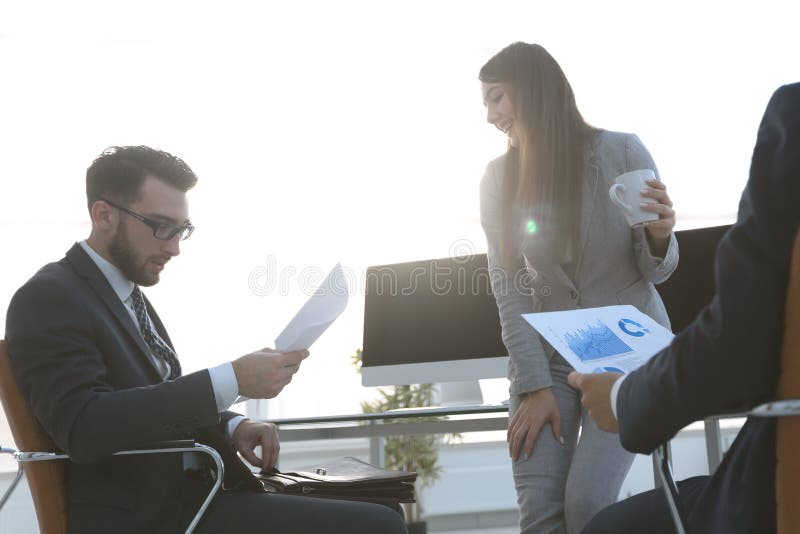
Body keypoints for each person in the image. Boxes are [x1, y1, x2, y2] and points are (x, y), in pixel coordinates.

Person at [4, 146, 407, 534]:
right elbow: (85, 426)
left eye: (182, 231)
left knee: (379, 502)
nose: (175, 247)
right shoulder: (50, 297)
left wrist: (231, 425)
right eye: (161, 227)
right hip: (151, 517)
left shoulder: (124, 295)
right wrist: (230, 380)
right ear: (103, 214)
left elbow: (148, 398)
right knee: (379, 523)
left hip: (195, 499)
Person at [570, 82, 800, 533]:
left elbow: (741, 343)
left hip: (781, 490)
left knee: (603, 526)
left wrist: (625, 398)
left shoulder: (794, 117)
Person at [478, 42, 679, 534]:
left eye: (497, 98)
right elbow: (510, 289)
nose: (490, 115)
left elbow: (656, 271)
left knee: (588, 504)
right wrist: (533, 386)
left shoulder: (623, 151)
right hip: (549, 358)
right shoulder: (497, 179)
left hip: (628, 351)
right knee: (541, 514)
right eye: (485, 103)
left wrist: (660, 236)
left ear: (534, 90)